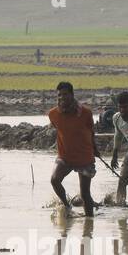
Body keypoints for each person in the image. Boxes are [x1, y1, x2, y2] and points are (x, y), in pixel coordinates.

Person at [48, 81, 98, 216]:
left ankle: (89, 221)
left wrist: (95, 149)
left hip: (84, 157)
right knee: (54, 180)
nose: (62, 98)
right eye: (59, 95)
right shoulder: (53, 114)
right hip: (65, 157)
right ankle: (67, 206)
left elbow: (91, 132)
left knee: (85, 193)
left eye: (65, 94)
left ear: (72, 95)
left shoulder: (85, 113)